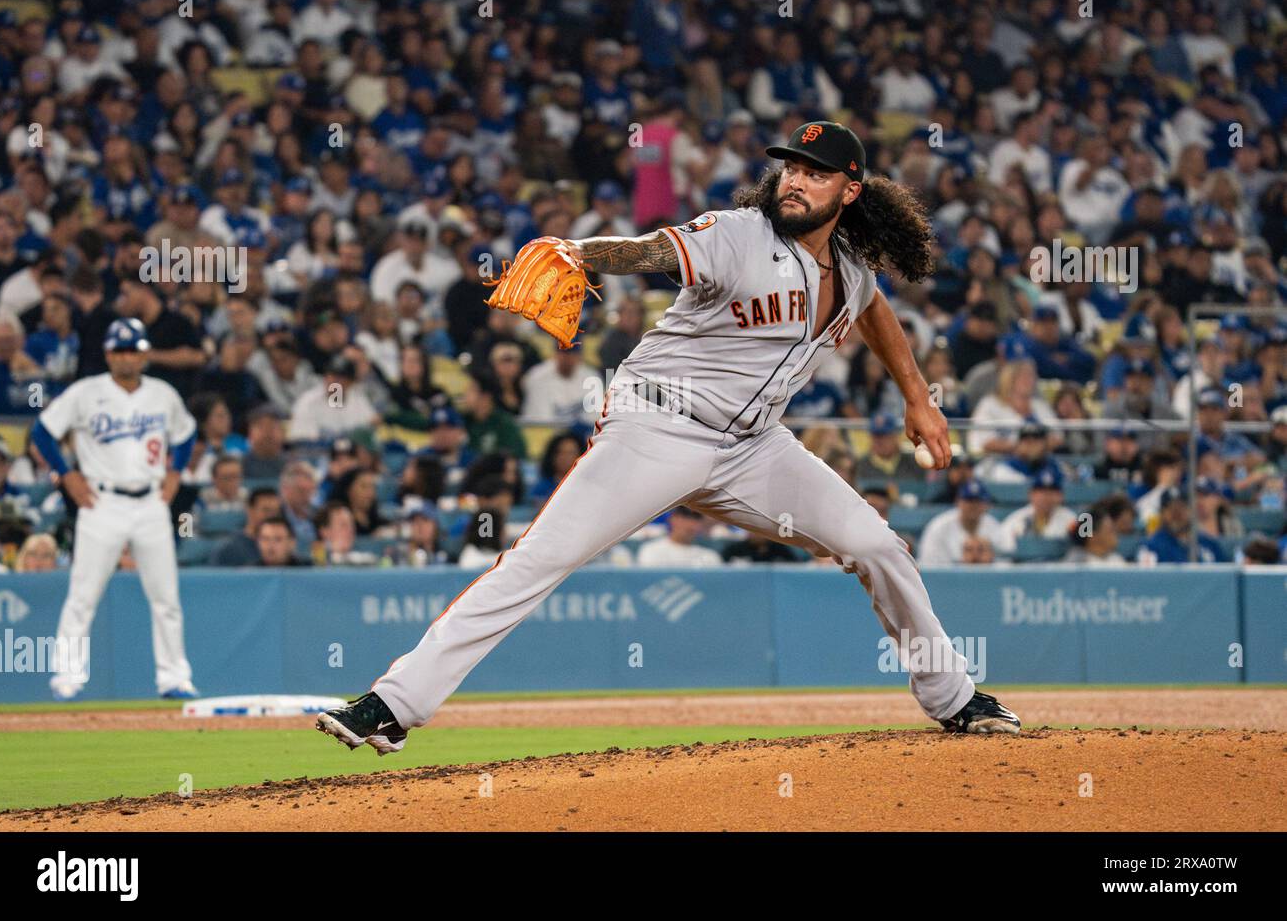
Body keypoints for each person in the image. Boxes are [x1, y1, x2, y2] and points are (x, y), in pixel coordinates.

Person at [318, 121, 1020, 755]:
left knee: (876, 545)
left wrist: (918, 396)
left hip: (755, 448)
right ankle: (394, 705)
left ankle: (954, 699)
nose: (796, 181)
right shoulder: (740, 233)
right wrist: (579, 251)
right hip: (658, 427)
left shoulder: (853, 272)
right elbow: (650, 250)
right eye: (790, 169)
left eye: (814, 172)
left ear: (850, 190)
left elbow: (875, 316)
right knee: (541, 557)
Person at [29, 318, 198, 700]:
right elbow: (42, 431)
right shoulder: (86, 393)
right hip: (101, 501)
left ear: (144, 354)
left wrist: (175, 471)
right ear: (108, 353)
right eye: (120, 350)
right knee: (83, 594)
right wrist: (65, 474)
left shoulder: (162, 394)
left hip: (152, 500)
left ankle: (173, 677)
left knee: (166, 597)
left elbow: (186, 434)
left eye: (134, 350)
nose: (127, 357)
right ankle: (67, 676)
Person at [918, 480, 1014, 565]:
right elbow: (929, 565)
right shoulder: (939, 527)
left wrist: (990, 561)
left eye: (978, 501)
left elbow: (1006, 563)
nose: (973, 505)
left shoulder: (994, 527)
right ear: (958, 502)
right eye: (969, 500)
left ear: (987, 504)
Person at [209, 487, 282, 566]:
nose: (272, 516)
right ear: (250, 510)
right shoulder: (228, 549)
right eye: (266, 510)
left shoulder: (285, 547)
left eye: (276, 511)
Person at [635, 506, 724, 567]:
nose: (690, 524)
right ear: (672, 518)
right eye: (685, 516)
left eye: (696, 518)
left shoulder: (709, 557)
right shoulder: (651, 550)